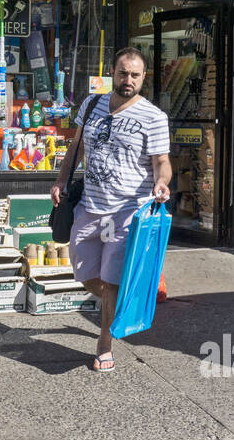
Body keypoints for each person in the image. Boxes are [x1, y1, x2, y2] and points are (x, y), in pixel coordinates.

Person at [51, 48, 171, 373]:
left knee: (111, 281)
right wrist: (61, 180)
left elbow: (162, 162)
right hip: (90, 209)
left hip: (126, 213)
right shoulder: (92, 104)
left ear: (143, 78)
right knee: (86, 274)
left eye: (135, 75)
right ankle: (126, 296)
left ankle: (105, 342)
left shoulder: (154, 117)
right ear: (112, 73)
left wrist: (161, 183)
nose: (128, 80)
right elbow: (76, 147)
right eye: (122, 73)